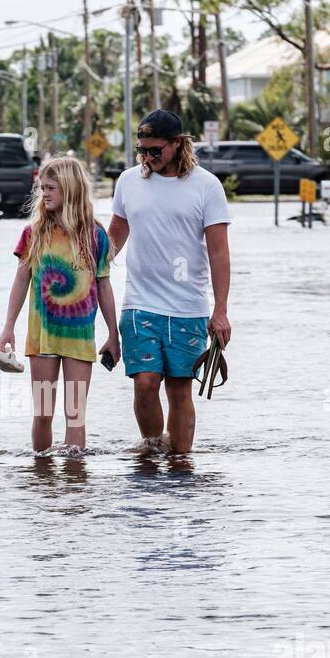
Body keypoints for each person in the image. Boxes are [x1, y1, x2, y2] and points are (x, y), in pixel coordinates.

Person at [106, 110, 232, 454]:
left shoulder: (207, 186)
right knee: (145, 384)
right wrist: (88, 271)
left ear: (178, 144)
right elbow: (115, 235)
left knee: (179, 389)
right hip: (138, 304)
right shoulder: (129, 181)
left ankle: (180, 466)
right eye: (141, 150)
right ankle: (151, 450)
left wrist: (220, 311)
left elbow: (219, 254)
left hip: (187, 308)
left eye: (155, 150)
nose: (147, 158)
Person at [0, 154, 121, 453]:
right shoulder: (34, 234)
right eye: (42, 188)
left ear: (70, 189)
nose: (44, 194)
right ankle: (43, 476)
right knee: (42, 415)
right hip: (42, 341)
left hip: (79, 341)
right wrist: (8, 327)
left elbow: (104, 285)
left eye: (50, 187)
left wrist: (113, 335)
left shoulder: (96, 236)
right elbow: (21, 281)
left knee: (75, 417)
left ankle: (76, 485)